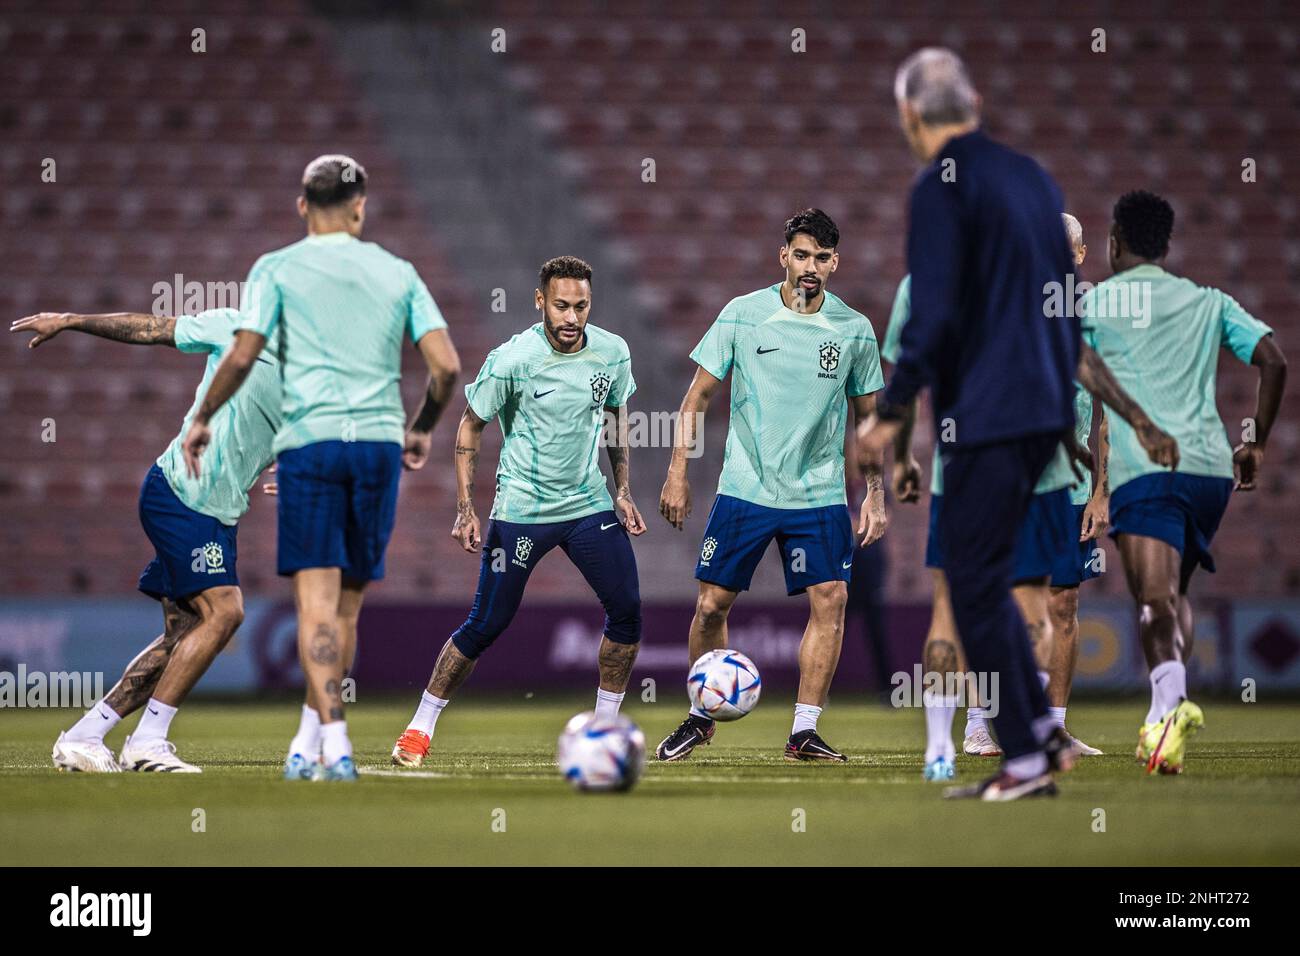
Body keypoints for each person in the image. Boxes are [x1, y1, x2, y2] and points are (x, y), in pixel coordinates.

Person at [859, 49, 1176, 800]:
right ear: (970, 100)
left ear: (911, 115)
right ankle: (1038, 738)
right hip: (1043, 411)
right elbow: (1064, 313)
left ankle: (1032, 750)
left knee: (970, 580)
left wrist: (893, 411)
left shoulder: (938, 186)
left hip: (988, 415)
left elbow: (931, 314)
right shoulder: (1034, 178)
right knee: (993, 579)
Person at [181, 155, 461, 781]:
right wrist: (419, 430)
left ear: (302, 206)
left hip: (311, 442)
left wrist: (203, 416)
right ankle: (309, 741)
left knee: (315, 603)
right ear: (361, 207)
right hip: (378, 446)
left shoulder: (277, 267)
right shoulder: (397, 271)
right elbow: (445, 368)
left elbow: (244, 352)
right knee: (348, 610)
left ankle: (332, 741)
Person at [390, 256, 646, 766]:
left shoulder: (613, 353)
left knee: (628, 614)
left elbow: (617, 420)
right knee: (485, 623)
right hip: (523, 509)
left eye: (581, 306)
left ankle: (607, 728)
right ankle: (419, 729)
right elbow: (470, 425)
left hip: (587, 504)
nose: (572, 318)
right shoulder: (512, 360)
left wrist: (622, 490)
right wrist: (466, 507)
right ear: (539, 302)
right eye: (561, 306)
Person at [657, 209, 888, 763]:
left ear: (836, 262)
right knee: (712, 605)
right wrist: (677, 471)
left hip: (819, 491)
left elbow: (868, 421)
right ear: (783, 256)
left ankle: (803, 732)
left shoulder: (854, 330)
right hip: (745, 485)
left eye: (822, 258)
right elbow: (698, 397)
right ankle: (699, 718)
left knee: (831, 599)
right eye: (802, 255)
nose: (811, 268)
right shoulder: (742, 315)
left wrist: (875, 493)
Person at [11, 306, 280, 773]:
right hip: (180, 494)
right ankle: (148, 740)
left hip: (219, 512)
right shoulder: (237, 328)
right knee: (226, 610)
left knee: (184, 635)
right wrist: (73, 320)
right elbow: (152, 328)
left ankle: (85, 735)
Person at [1081, 190, 1286, 774]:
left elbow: (1073, 360)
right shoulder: (1208, 300)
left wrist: (1138, 423)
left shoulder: (1100, 300)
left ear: (1116, 242)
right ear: (1166, 247)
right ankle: (1158, 721)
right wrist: (1258, 443)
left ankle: (1171, 712)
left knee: (1151, 601)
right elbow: (1273, 360)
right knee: (1176, 595)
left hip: (1149, 472)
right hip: (1210, 471)